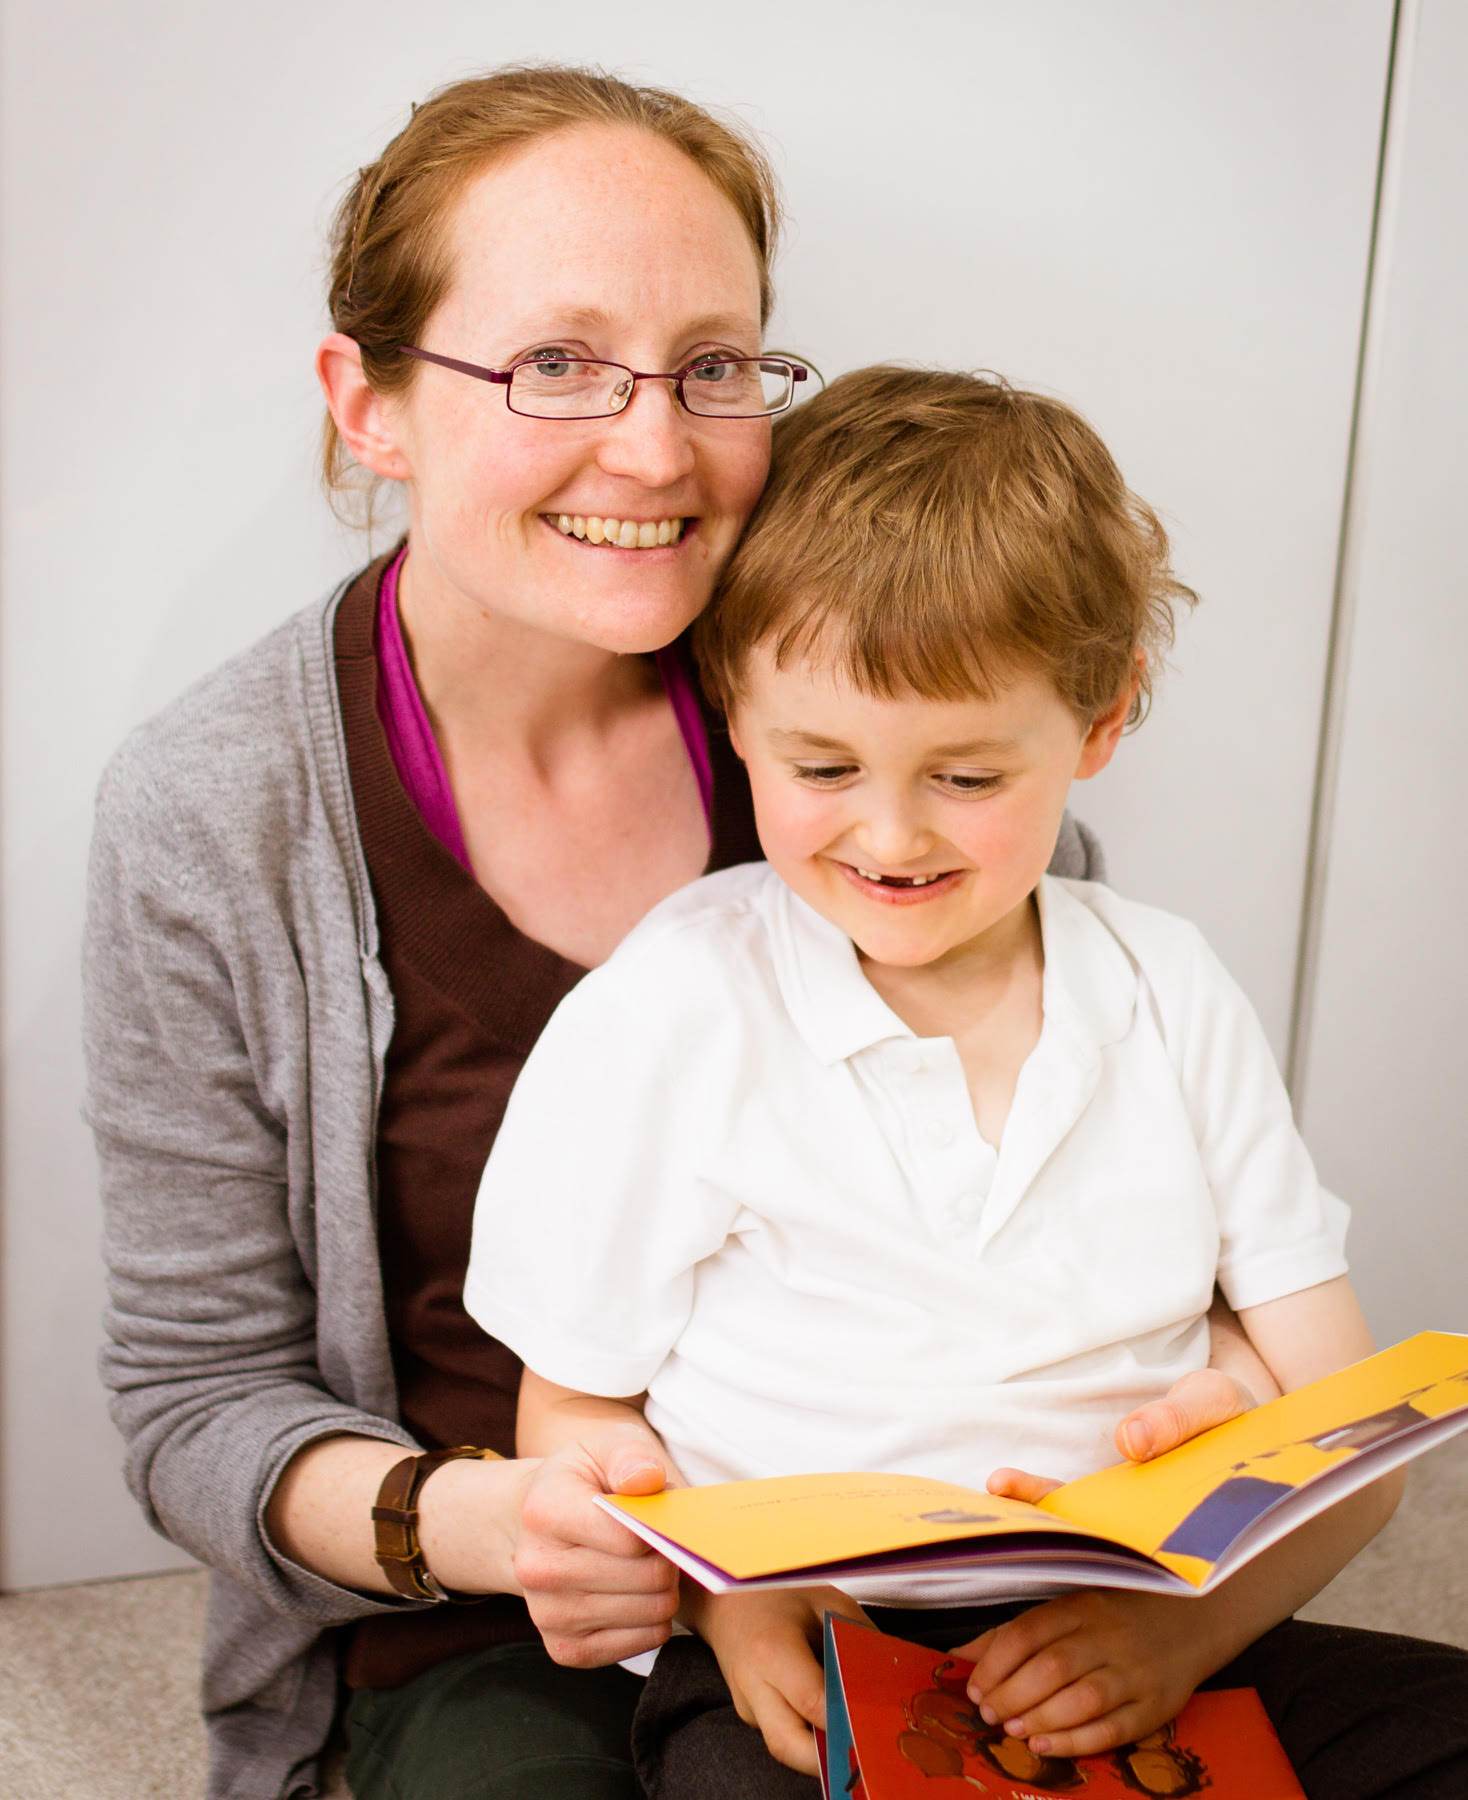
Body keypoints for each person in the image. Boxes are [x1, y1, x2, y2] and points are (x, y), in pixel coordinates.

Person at [88, 66, 1189, 1800]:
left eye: (713, 365)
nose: (658, 446)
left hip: (917, 1575)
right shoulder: (217, 814)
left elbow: (1101, 1190)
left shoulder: (875, 723)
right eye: (554, 363)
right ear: (369, 404)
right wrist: (483, 1520)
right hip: (501, 1623)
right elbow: (194, 1400)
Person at [463, 367, 1468, 1799]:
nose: (889, 834)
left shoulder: (1166, 986)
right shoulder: (676, 1007)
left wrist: (1176, 1640)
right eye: (821, 763)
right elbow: (572, 1421)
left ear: (1100, 725)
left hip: (1152, 1609)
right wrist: (728, 1603)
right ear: (733, 713)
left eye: (969, 779)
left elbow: (1353, 1440)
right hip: (804, 1636)